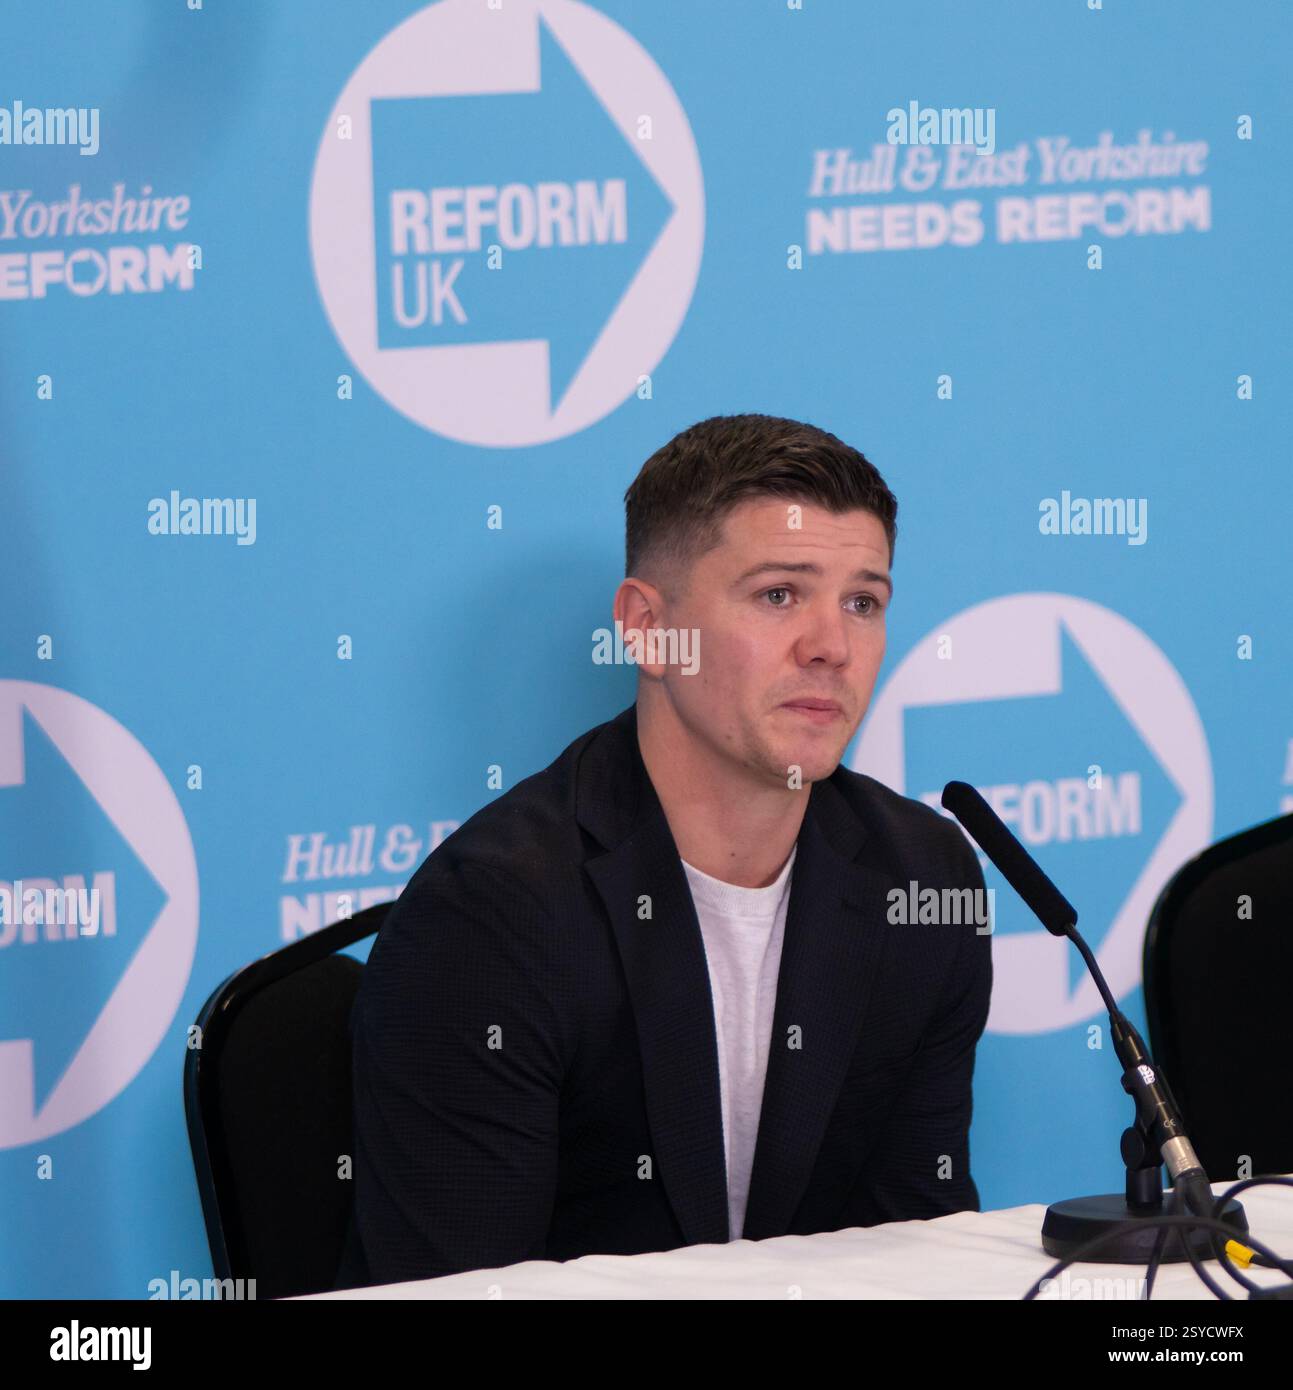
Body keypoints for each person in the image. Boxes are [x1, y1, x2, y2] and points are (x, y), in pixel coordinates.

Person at [334, 413, 991, 1288]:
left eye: (862, 602)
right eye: (779, 595)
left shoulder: (922, 878)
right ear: (646, 629)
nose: (832, 646)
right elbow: (465, 1292)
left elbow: (922, 1251)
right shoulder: (495, 912)